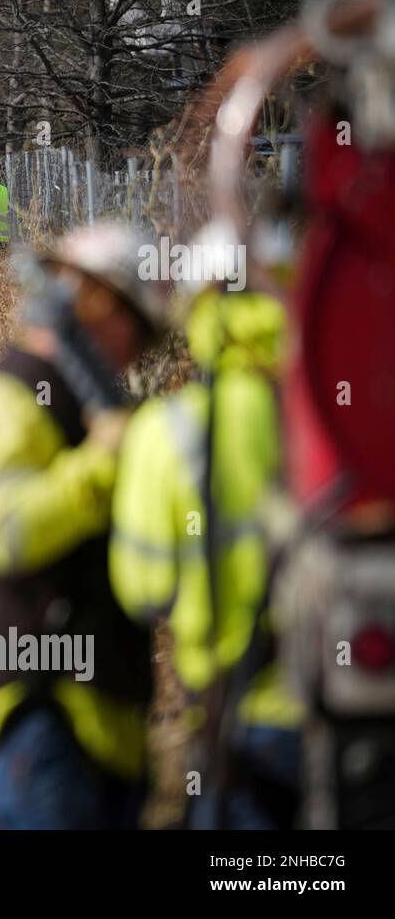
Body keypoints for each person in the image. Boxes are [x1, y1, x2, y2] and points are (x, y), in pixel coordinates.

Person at [0, 222, 166, 829]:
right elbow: (9, 535)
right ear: (95, 303)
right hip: (35, 727)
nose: (137, 349)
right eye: (134, 327)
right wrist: (101, 465)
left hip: (103, 724)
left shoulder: (83, 406)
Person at [110, 287, 302, 829]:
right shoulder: (330, 419)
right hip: (346, 696)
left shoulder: (169, 429)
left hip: (232, 701)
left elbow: (143, 590)